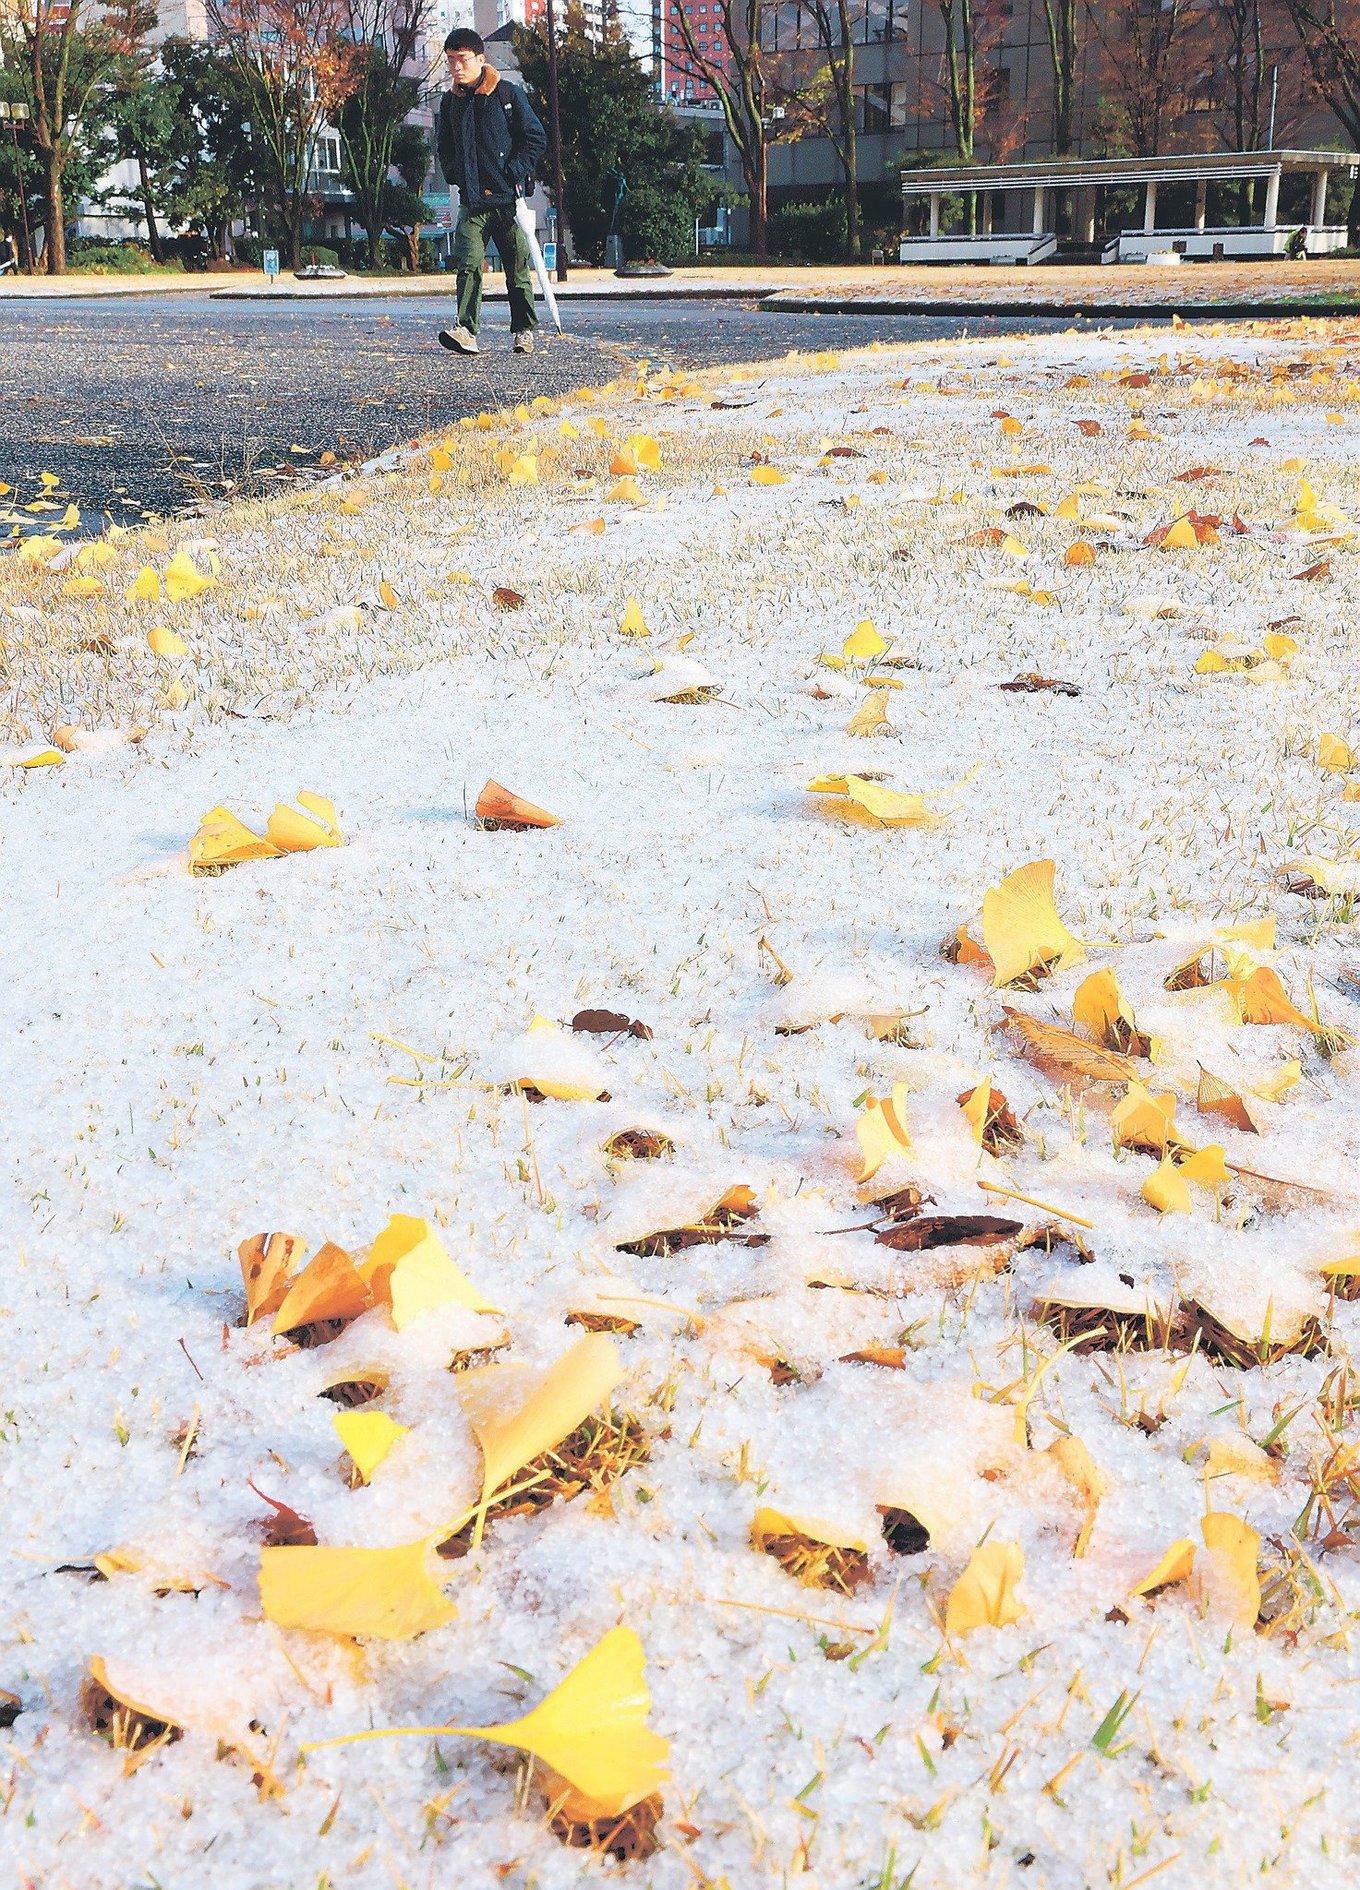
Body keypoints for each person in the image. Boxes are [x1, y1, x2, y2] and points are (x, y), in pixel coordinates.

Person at [435, 28, 547, 357]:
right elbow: (444, 147)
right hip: (472, 203)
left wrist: (512, 171)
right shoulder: (450, 102)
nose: (456, 66)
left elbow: (535, 137)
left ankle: (524, 330)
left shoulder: (507, 94)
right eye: (450, 60)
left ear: (480, 59)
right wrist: (456, 175)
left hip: (509, 201)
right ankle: (466, 330)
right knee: (468, 265)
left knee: (517, 269)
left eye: (462, 59)